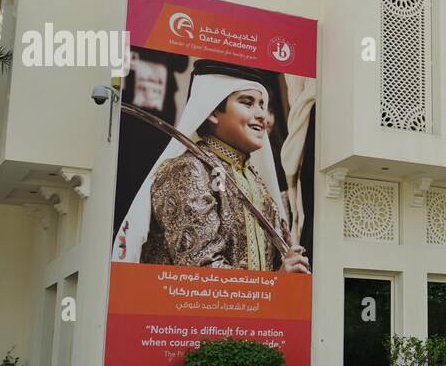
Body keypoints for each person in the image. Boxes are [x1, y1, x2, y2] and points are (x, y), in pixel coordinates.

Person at [113, 61, 309, 273]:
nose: (261, 115)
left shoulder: (258, 184)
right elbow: (202, 270)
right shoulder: (187, 171)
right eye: (247, 102)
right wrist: (278, 282)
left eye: (262, 104)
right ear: (212, 111)